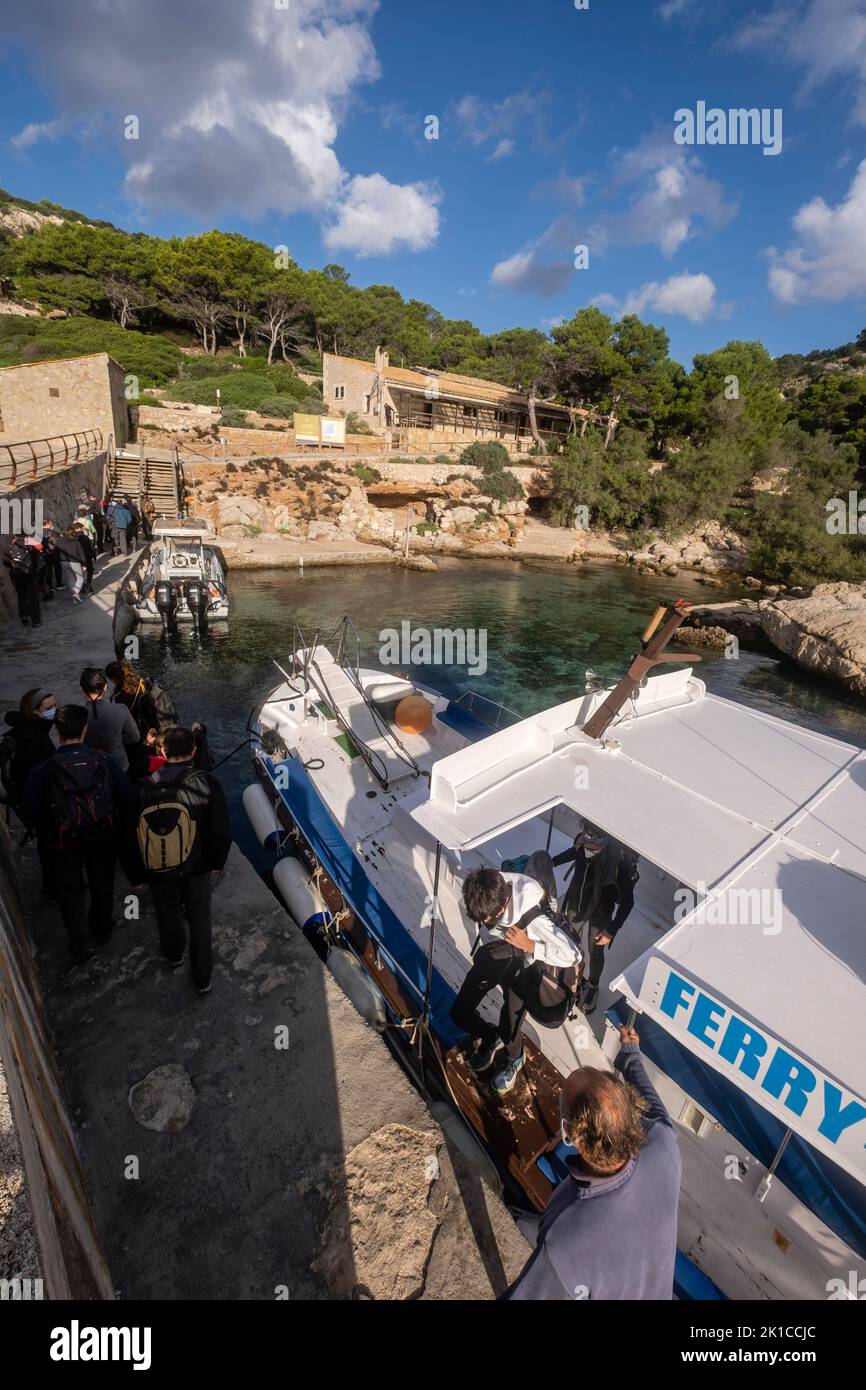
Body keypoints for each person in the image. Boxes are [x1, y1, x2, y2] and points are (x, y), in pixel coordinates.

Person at [502, 1024, 682, 1301]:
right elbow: (655, 1108)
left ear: (571, 1134)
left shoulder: (567, 1237)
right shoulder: (663, 1142)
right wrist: (631, 1057)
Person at [451, 854, 582, 1095]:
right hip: (496, 954)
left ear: (502, 906)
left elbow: (573, 956)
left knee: (509, 1026)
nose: (483, 922)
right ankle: (489, 1037)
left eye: (487, 919)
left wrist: (531, 945)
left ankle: (515, 1057)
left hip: (523, 967)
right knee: (459, 1013)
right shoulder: (490, 888)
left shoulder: (534, 917)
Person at [125, 726, 231, 995]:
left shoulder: (143, 788)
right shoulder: (206, 783)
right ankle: (202, 977)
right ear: (194, 751)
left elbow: (127, 835)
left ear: (162, 751)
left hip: (158, 865)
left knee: (166, 908)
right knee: (199, 918)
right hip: (197, 865)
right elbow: (220, 830)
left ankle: (174, 955)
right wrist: (218, 862)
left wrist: (136, 875)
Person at [22, 704, 127, 966]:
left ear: (56, 733)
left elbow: (28, 809)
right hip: (102, 835)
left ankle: (80, 944)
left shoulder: (44, 770)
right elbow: (127, 794)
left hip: (62, 841)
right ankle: (102, 930)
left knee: (70, 892)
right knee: (102, 884)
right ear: (85, 730)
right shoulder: (104, 760)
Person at [553, 822, 638, 1016]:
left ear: (605, 843)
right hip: (577, 903)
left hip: (601, 913)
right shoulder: (581, 845)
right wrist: (553, 861)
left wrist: (611, 930)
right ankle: (566, 974)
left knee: (595, 950)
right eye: (585, 840)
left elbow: (627, 903)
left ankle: (592, 986)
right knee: (567, 941)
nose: (587, 847)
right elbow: (573, 853)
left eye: (592, 844)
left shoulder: (619, 865)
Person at [80, 666, 140, 772]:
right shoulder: (121, 709)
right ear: (105, 687)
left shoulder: (77, 715)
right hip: (119, 766)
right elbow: (135, 737)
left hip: (93, 768)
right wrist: (117, 740)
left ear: (82, 689)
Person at [105, 660, 178, 738]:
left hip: (139, 735)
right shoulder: (144, 684)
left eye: (111, 680)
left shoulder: (118, 697)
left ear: (114, 678)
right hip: (155, 729)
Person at [3, 533, 42, 626]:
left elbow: (5, 562)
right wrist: (34, 568)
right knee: (33, 597)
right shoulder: (31, 545)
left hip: (17, 575)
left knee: (21, 596)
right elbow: (36, 560)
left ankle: (24, 616)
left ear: (15, 536)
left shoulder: (10, 546)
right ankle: (36, 620)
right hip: (30, 574)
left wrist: (13, 566)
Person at [52, 526, 87, 602]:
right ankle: (76, 593)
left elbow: (56, 553)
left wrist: (57, 562)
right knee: (80, 578)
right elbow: (81, 553)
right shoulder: (75, 541)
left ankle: (75, 596)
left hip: (63, 562)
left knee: (70, 579)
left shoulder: (59, 541)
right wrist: (84, 564)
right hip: (75, 562)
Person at [73, 523, 95, 595]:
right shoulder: (85, 537)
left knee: (79, 573)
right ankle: (88, 583)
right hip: (87, 557)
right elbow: (91, 548)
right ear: (80, 528)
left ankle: (82, 587)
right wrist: (94, 556)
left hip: (76, 558)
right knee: (90, 570)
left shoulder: (72, 538)